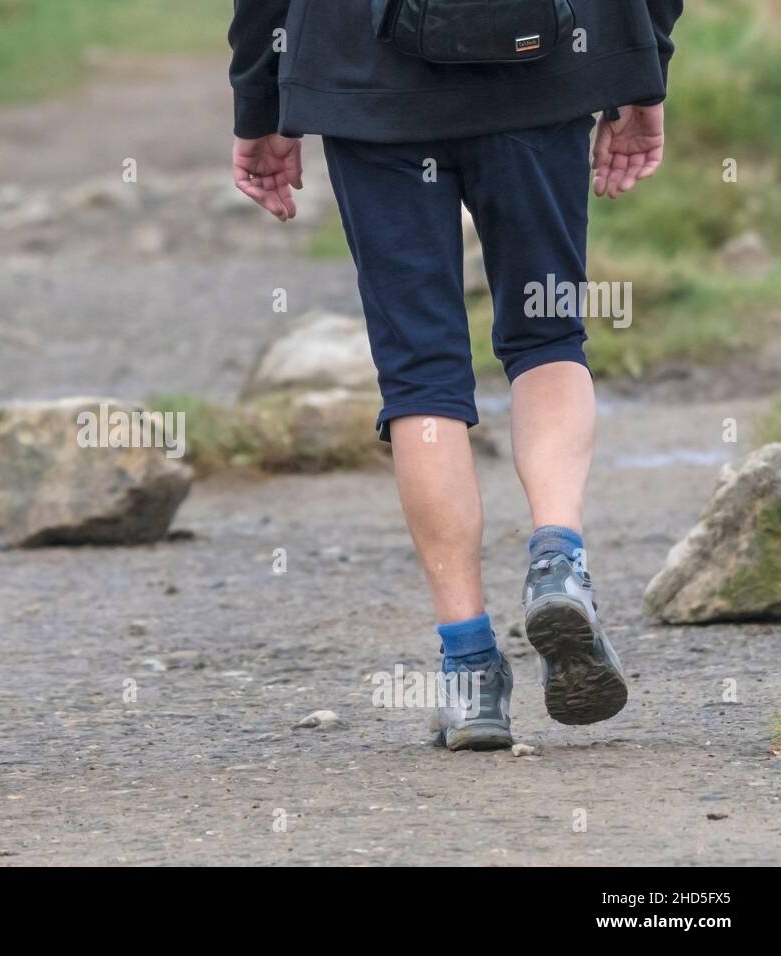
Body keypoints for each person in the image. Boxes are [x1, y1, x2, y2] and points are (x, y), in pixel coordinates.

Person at [228, 0, 683, 749]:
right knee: (547, 335)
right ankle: (556, 560)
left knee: (421, 379)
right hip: (547, 66)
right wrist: (642, 67)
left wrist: (262, 100)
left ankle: (471, 671)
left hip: (366, 83)